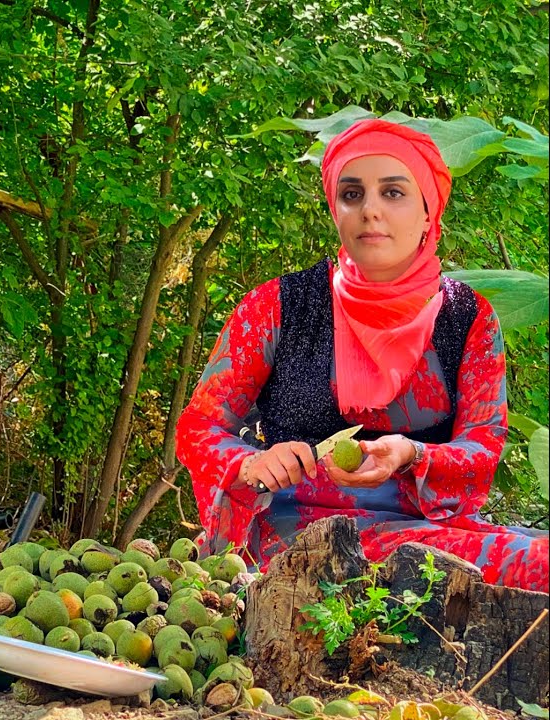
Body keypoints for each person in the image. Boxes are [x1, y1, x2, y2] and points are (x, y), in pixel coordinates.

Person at [176, 119, 548, 592]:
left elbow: (482, 448)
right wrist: (251, 464)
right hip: (298, 537)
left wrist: (411, 453)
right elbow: (199, 427)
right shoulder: (276, 306)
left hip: (428, 531)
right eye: (352, 195)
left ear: (430, 210)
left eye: (393, 193)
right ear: (335, 209)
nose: (370, 210)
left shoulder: (469, 317)